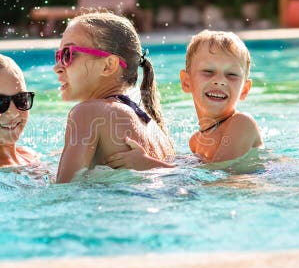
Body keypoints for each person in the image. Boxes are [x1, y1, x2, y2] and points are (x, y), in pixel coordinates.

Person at [107, 30, 262, 170]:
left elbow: (220, 176)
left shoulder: (242, 123)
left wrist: (147, 164)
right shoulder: (195, 142)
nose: (220, 81)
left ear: (245, 90)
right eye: (208, 71)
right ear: (186, 82)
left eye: (232, 75)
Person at [53, 11, 174, 183]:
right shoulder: (152, 124)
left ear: (108, 65)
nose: (57, 67)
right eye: (58, 56)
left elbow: (62, 192)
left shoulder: (88, 112)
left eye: (68, 54)